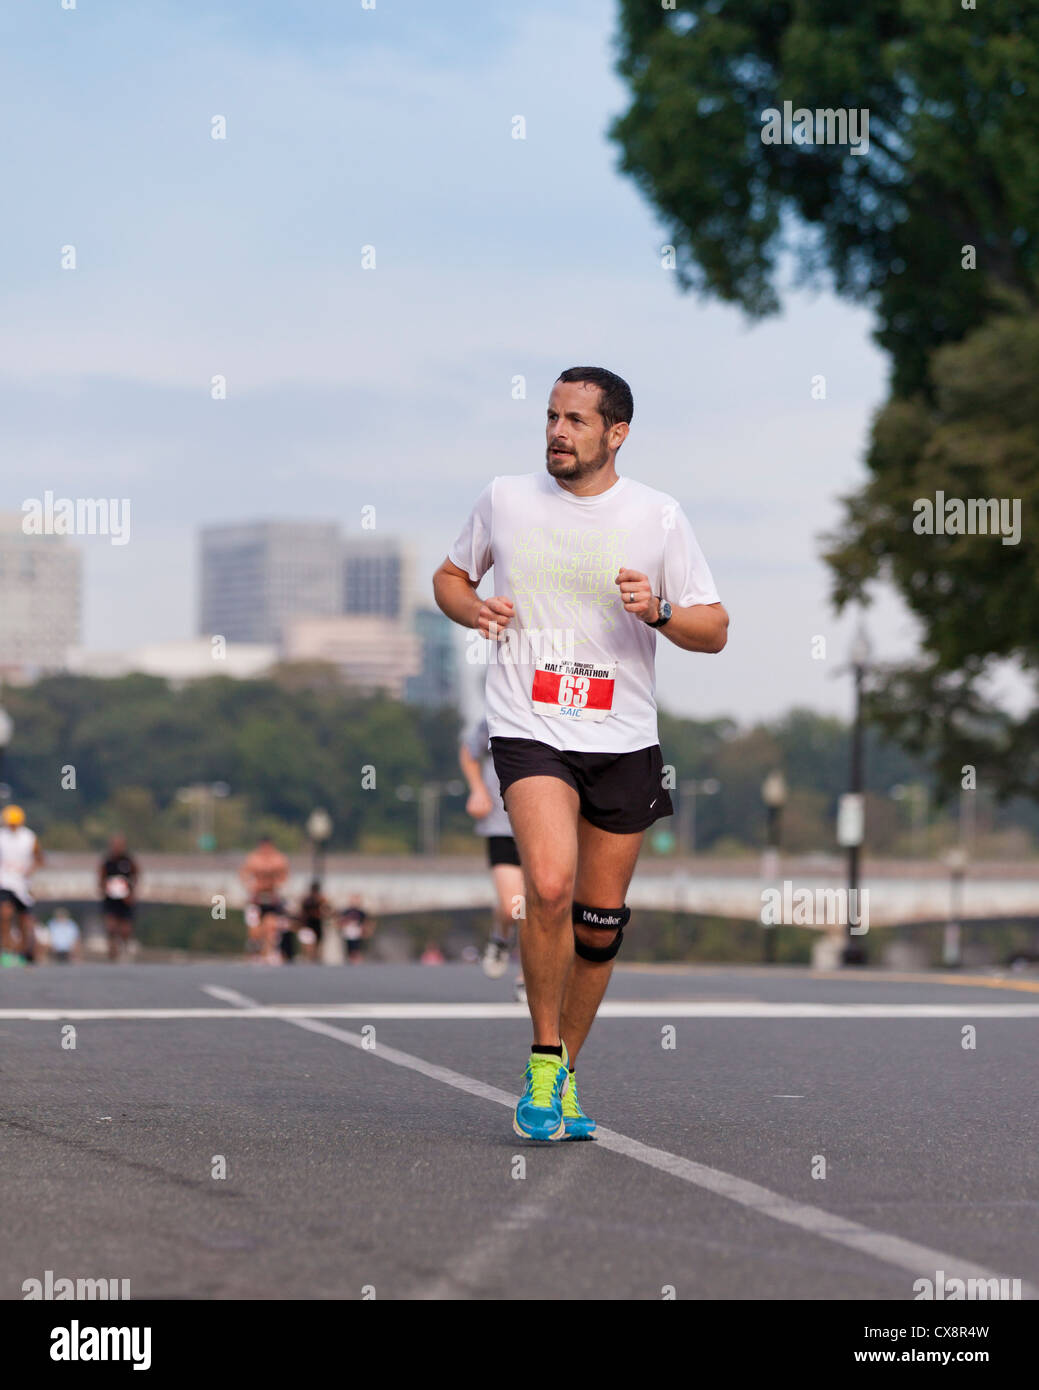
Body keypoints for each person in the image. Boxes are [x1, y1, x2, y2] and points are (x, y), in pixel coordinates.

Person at [433, 366, 727, 1141]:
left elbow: (715, 628)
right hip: (530, 726)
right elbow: (449, 577)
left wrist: (659, 611)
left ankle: (565, 1071)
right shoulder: (505, 498)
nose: (557, 433)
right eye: (551, 417)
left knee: (599, 925)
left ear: (615, 433)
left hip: (623, 740)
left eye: (575, 421)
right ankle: (538, 1061)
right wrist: (472, 609)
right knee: (551, 886)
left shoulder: (658, 517)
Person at [459, 714, 526, 1000]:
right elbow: (469, 751)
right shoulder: (502, 708)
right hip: (502, 825)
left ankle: (529, 976)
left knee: (543, 902)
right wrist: (477, 790)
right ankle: (501, 936)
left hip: (549, 826)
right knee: (515, 905)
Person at [0, 804, 44, 964]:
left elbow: (39, 859)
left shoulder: (29, 837)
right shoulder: (1, 836)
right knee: (5, 914)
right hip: (4, 881)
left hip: (22, 883)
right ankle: (5, 950)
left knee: (24, 919)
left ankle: (23, 951)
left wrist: (30, 870)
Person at [239, 836, 290, 963]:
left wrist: (277, 884)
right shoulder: (253, 859)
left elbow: (285, 876)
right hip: (256, 898)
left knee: (271, 926)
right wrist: (251, 885)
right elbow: (244, 874)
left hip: (272, 898)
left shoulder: (279, 859)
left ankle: (267, 953)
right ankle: (255, 949)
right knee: (254, 930)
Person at [99, 833, 139, 962]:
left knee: (125, 928)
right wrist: (104, 888)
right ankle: (112, 950)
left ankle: (125, 947)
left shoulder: (128, 861)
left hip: (125, 899)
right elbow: (101, 878)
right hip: (111, 899)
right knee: (111, 926)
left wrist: (131, 892)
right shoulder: (107, 861)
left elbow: (136, 875)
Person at [297, 879, 329, 963]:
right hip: (309, 923)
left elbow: (326, 910)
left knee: (317, 941)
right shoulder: (308, 899)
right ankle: (309, 957)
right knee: (309, 942)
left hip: (316, 922)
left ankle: (314, 957)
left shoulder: (320, 899)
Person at [339, 896, 374, 964]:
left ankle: (357, 961)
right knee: (349, 947)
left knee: (357, 947)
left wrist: (367, 930)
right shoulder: (346, 911)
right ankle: (351, 960)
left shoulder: (361, 912)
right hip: (348, 932)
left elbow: (366, 921)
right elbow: (341, 921)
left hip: (357, 931)